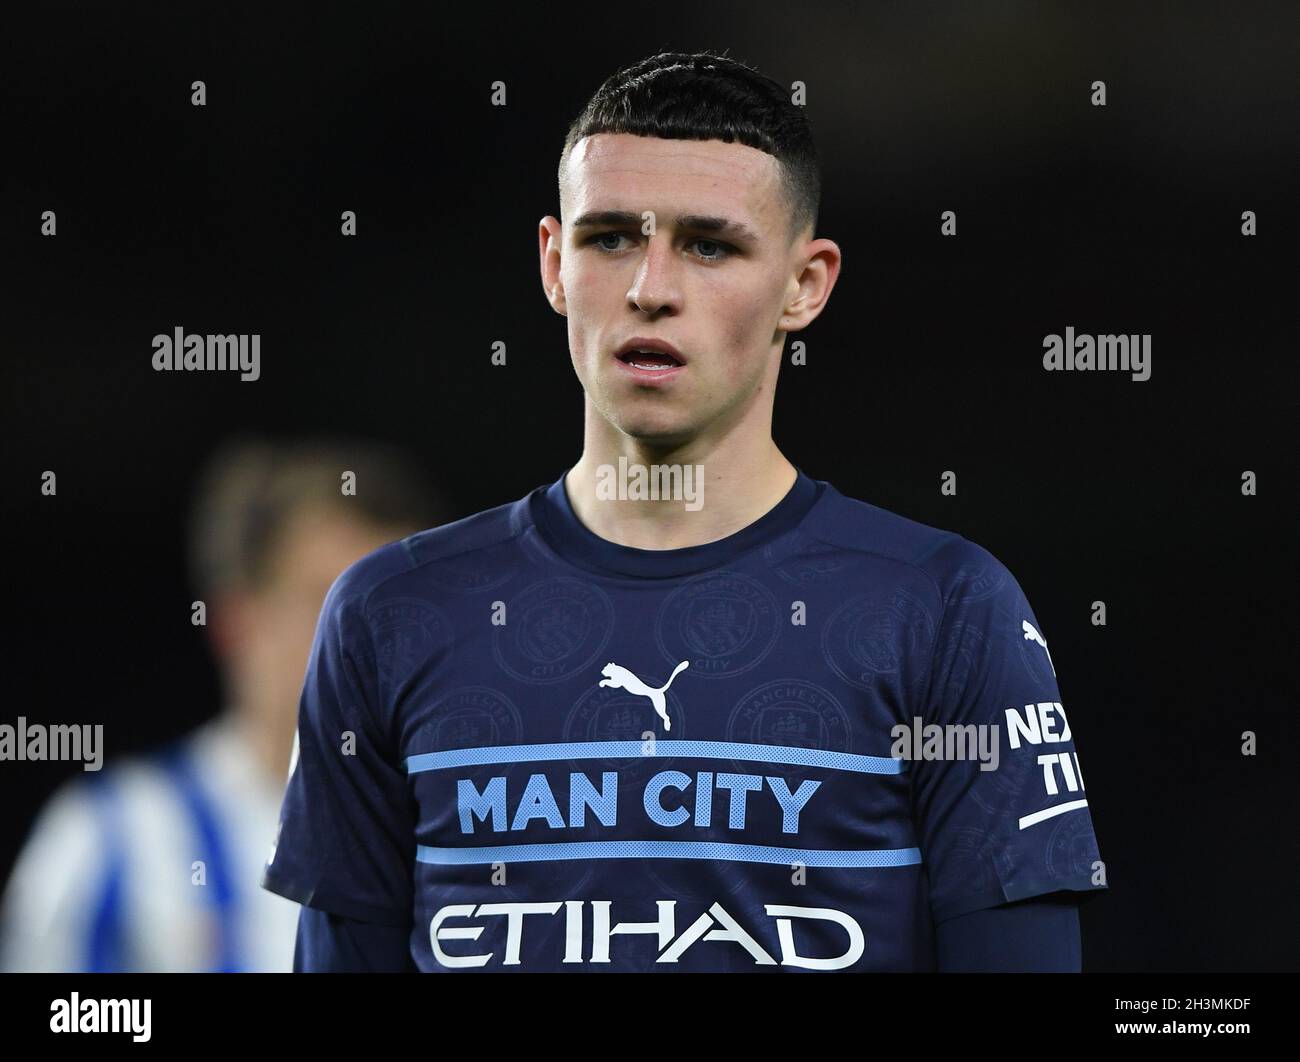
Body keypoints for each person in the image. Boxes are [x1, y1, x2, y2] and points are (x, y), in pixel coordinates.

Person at [265, 51, 1106, 972]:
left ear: (805, 284)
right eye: (612, 237)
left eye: (710, 245)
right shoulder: (389, 615)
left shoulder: (945, 614)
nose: (650, 287)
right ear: (553, 262)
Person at [0, 436, 448, 971]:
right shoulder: (110, 840)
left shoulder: (486, 828)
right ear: (239, 624)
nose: (380, 644)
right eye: (334, 605)